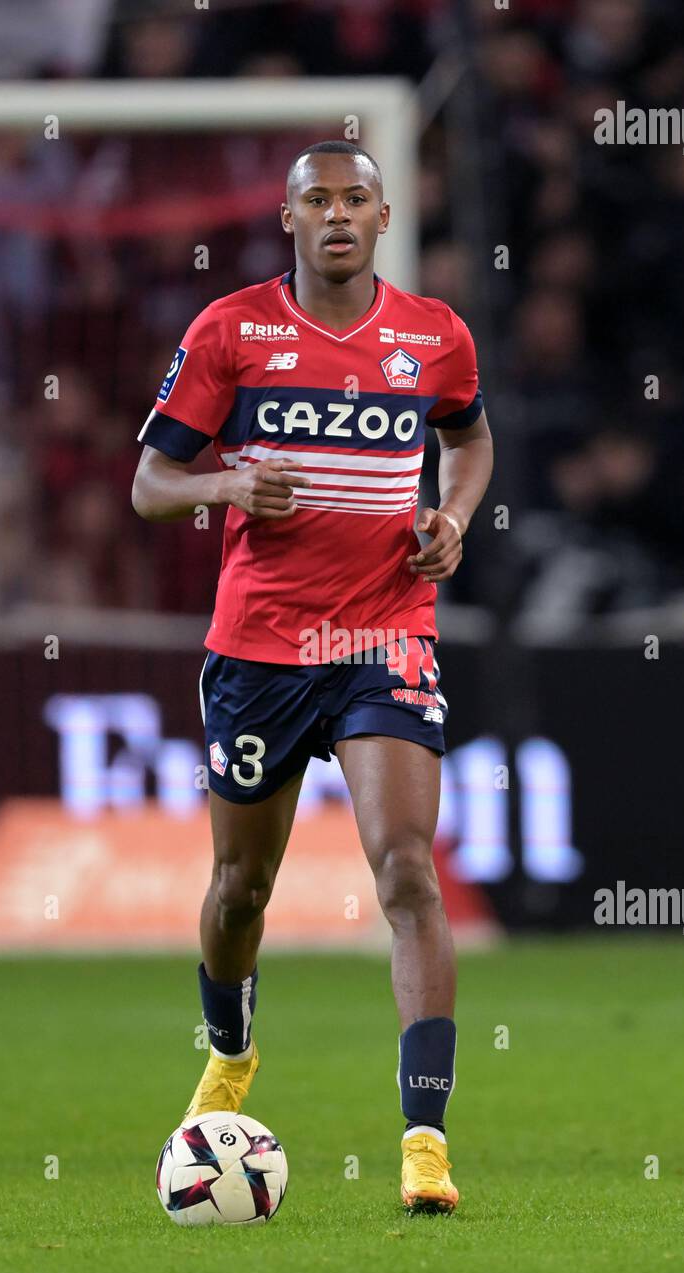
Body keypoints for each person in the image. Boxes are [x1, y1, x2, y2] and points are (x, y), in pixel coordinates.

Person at [132, 141, 493, 1213]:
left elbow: (471, 442)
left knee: (409, 873)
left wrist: (452, 522)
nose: (337, 216)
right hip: (260, 647)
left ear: (385, 217)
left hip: (386, 636)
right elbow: (150, 482)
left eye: (355, 200)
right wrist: (232, 479)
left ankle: (425, 1145)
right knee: (242, 887)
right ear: (287, 219)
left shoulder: (435, 336)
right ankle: (232, 1055)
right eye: (315, 201)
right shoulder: (229, 331)